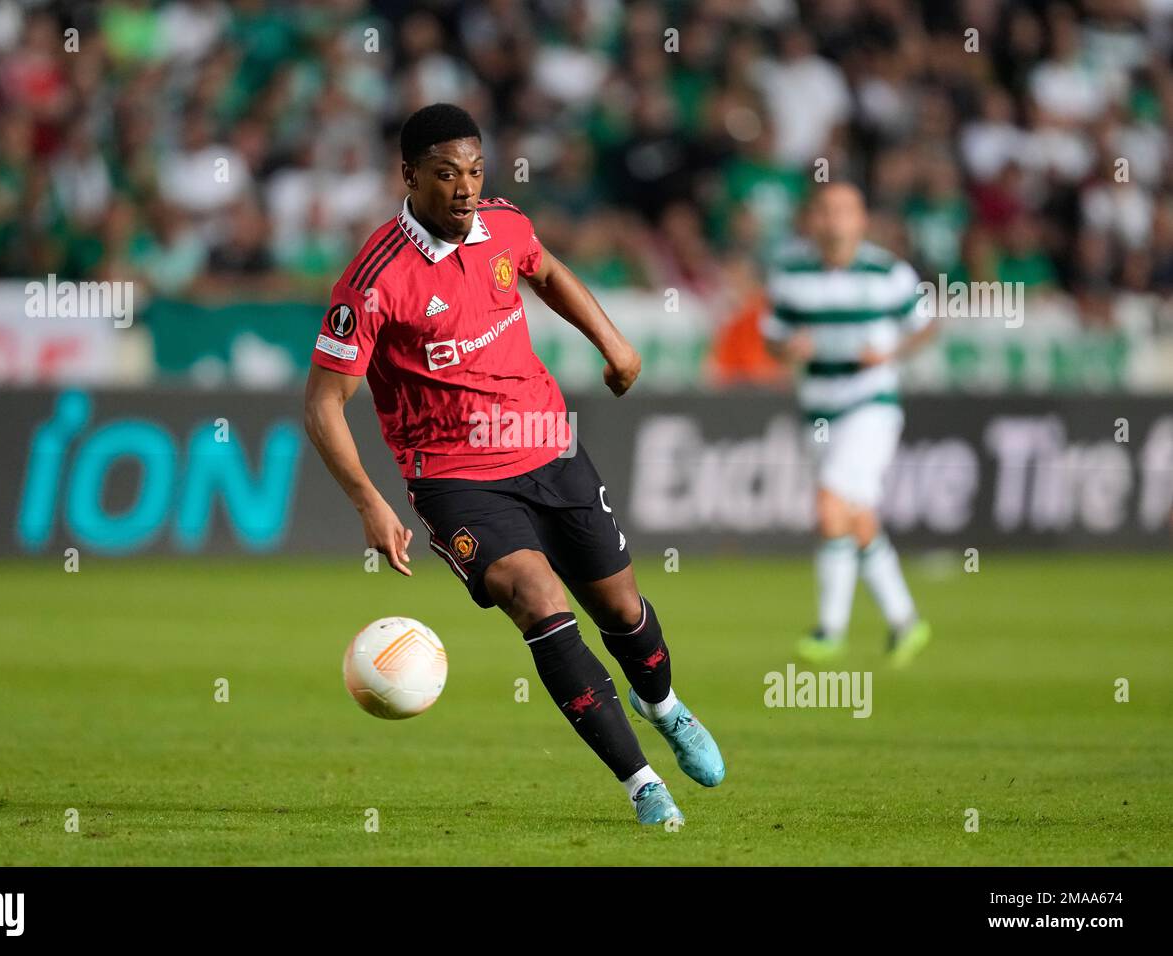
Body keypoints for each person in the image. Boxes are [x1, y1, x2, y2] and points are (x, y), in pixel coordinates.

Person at [303, 103, 724, 825]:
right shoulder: (374, 280)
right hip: (456, 479)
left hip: (547, 443)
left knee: (621, 609)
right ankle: (643, 785)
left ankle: (663, 706)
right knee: (539, 601)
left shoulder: (505, 224)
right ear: (408, 176)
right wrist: (371, 503)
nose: (465, 188)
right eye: (445, 174)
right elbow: (322, 404)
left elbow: (548, 271)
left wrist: (613, 345)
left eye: (474, 170)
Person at [762, 183, 936, 665]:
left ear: (862, 220)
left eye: (845, 211)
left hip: (871, 403)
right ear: (812, 221)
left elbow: (925, 326)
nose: (835, 220)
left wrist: (890, 354)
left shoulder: (888, 272)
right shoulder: (791, 274)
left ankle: (828, 629)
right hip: (817, 407)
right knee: (855, 517)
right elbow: (773, 338)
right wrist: (787, 350)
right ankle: (905, 622)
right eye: (825, 211)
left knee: (829, 504)